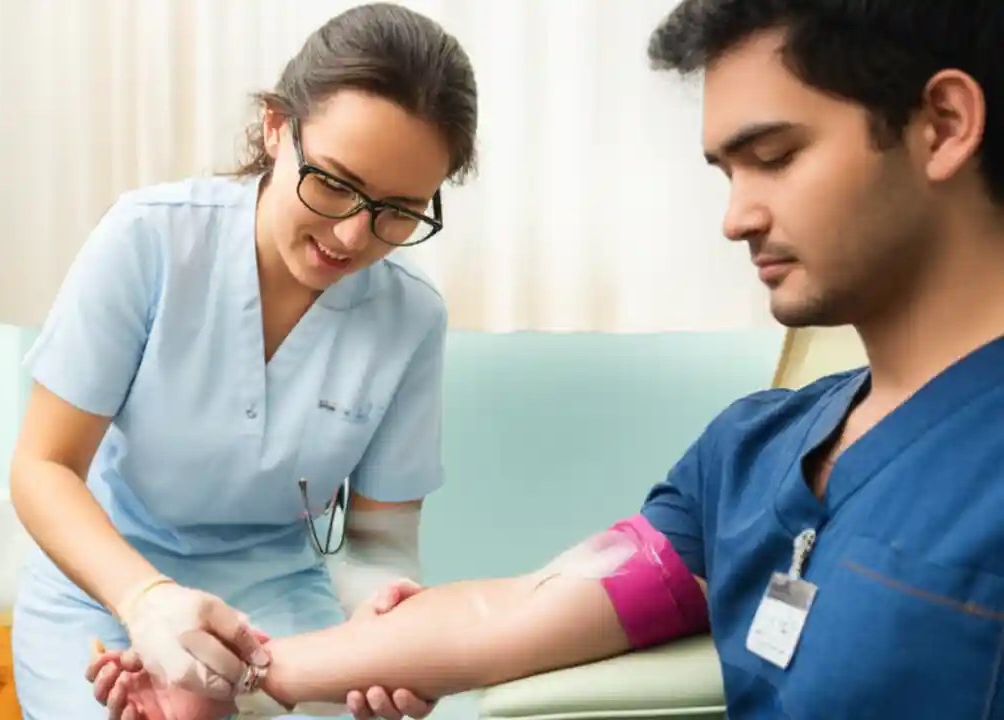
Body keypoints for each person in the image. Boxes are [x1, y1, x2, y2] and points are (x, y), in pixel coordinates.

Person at [89, 1, 1004, 718]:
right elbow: (518, 611)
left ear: (943, 123)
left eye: (775, 156)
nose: (736, 218)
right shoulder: (753, 454)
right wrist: (235, 679)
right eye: (728, 173)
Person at [8, 4, 479, 718]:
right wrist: (146, 601)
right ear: (275, 126)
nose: (352, 236)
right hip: (105, 586)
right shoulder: (151, 241)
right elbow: (43, 467)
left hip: (277, 595)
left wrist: (380, 620)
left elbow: (380, 541)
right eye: (334, 183)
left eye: (398, 211)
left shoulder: (409, 318)